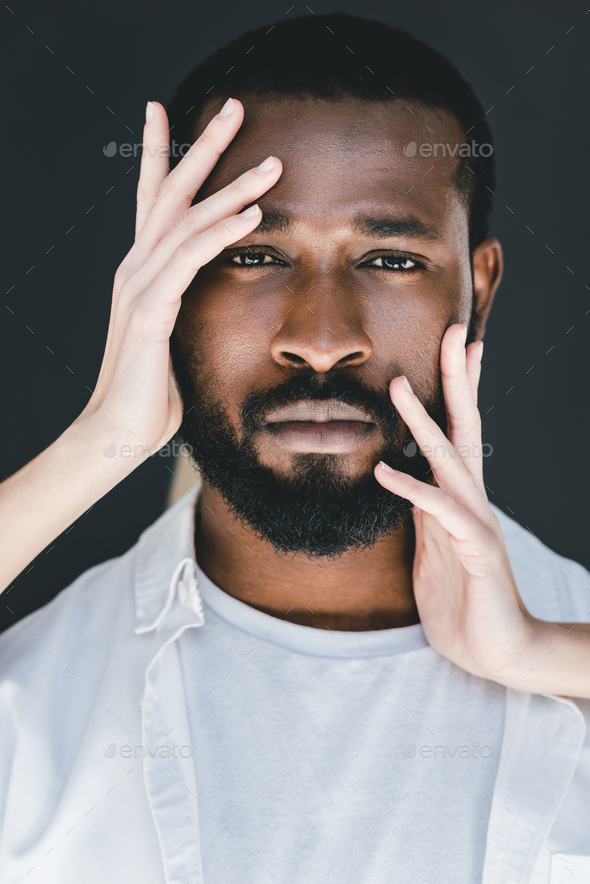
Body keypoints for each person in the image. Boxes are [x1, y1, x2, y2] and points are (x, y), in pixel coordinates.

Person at [0, 13, 588, 884]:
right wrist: (105, 441)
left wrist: (542, 655)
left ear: (480, 290)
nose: (320, 340)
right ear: (163, 284)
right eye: (253, 254)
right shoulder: (29, 703)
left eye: (389, 261)